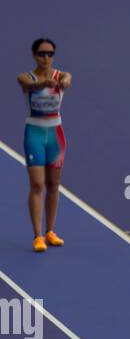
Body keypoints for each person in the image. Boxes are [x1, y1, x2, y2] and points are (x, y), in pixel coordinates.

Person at [17, 38, 71, 252]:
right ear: (34, 55)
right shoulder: (26, 77)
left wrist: (63, 82)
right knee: (37, 184)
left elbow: (67, 80)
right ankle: (37, 235)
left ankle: (50, 231)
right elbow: (27, 85)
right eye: (41, 54)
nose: (46, 58)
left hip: (56, 136)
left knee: (53, 184)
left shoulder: (61, 76)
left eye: (50, 54)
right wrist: (42, 84)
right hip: (34, 135)